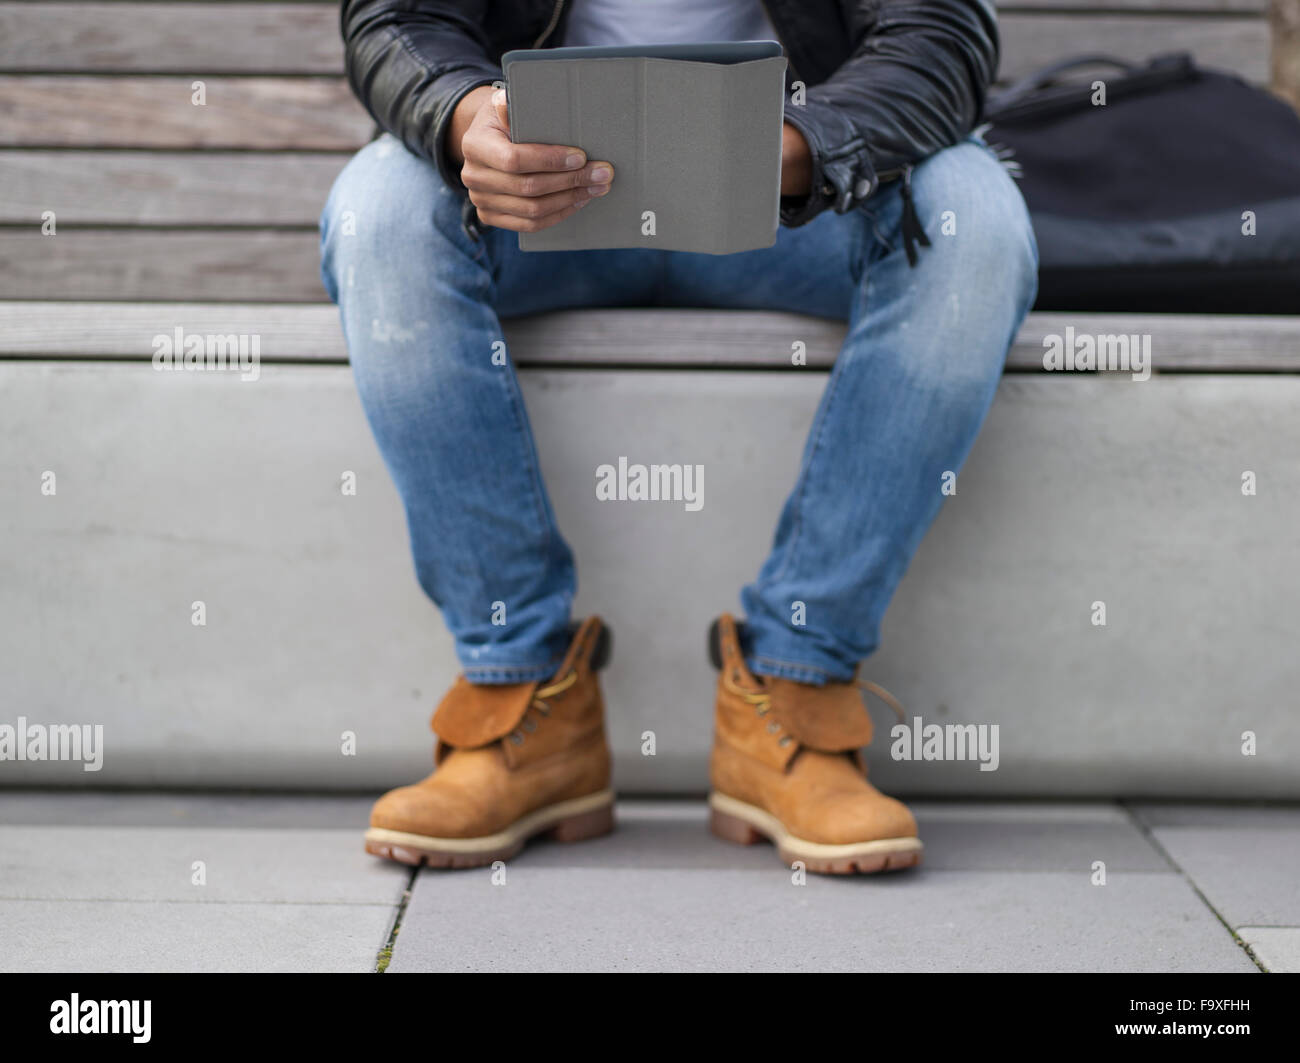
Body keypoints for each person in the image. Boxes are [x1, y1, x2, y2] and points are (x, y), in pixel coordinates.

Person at [320, 0, 1037, 874]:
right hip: (535, 206)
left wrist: (794, 149)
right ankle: (520, 701)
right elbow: (399, 18)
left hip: (792, 203)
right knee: (382, 210)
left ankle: (796, 692)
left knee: (977, 219)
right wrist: (466, 116)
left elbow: (940, 36)